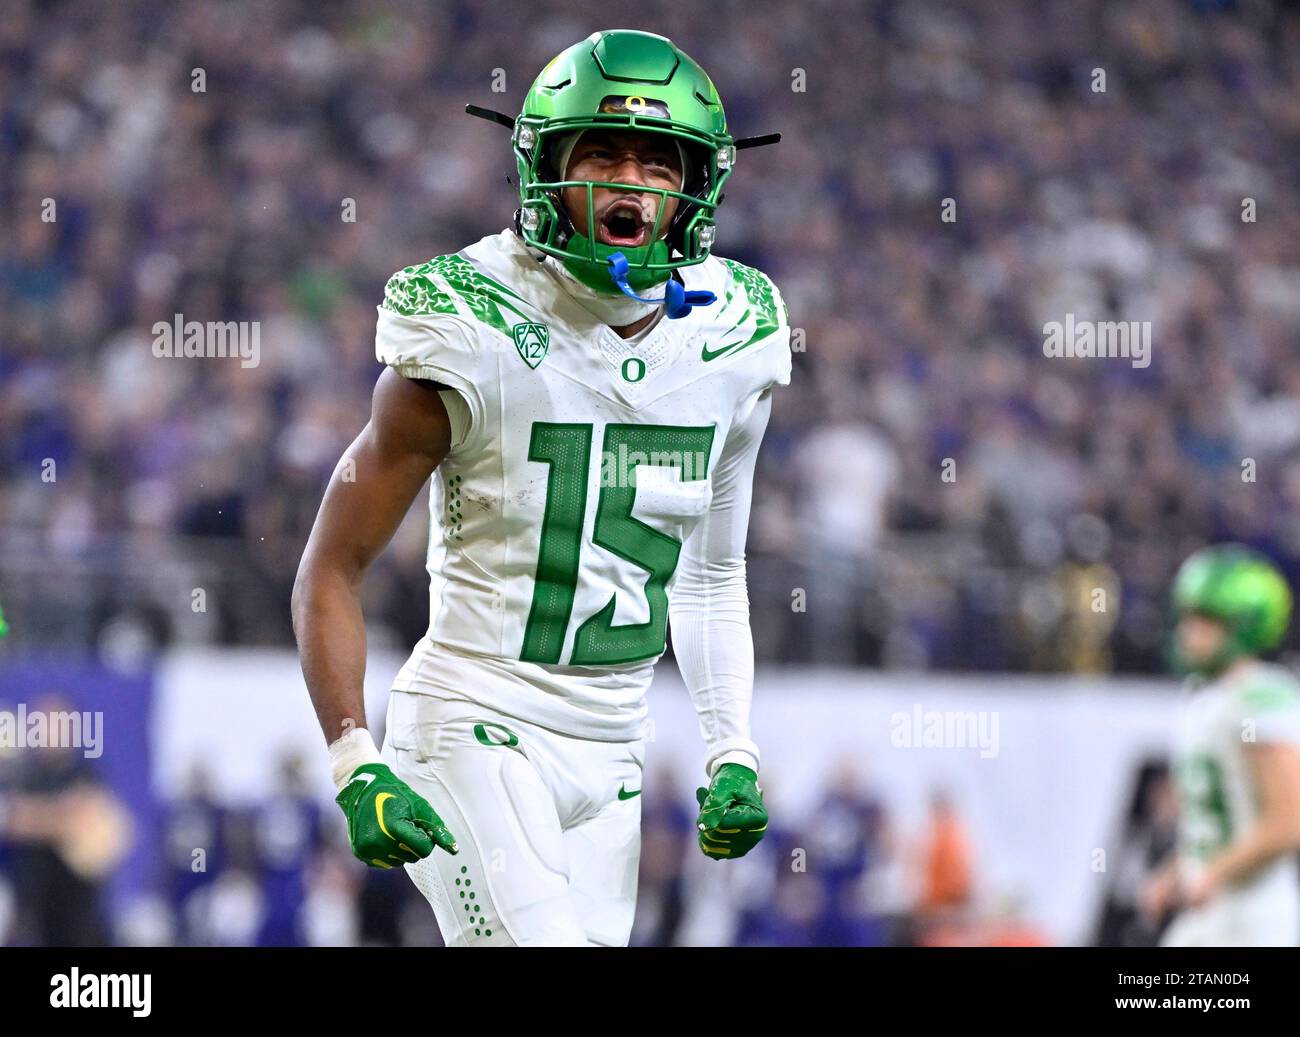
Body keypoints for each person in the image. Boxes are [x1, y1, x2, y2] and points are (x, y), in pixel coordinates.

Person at [293, 29, 790, 947]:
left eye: (657, 159)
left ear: (695, 185)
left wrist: (732, 744)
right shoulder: (472, 319)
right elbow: (333, 563)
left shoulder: (736, 333)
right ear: (546, 169)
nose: (629, 180)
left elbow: (712, 572)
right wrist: (353, 758)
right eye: (600, 151)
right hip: (476, 719)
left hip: (615, 751)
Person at [1141, 545, 1300, 946]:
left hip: (1255, 915)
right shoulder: (1205, 698)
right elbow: (1216, 826)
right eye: (1188, 618)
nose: (1188, 632)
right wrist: (1177, 871)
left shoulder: (1262, 695)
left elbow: (1289, 821)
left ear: (1242, 625)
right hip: (1212, 912)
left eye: (1205, 620)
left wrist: (1213, 872)